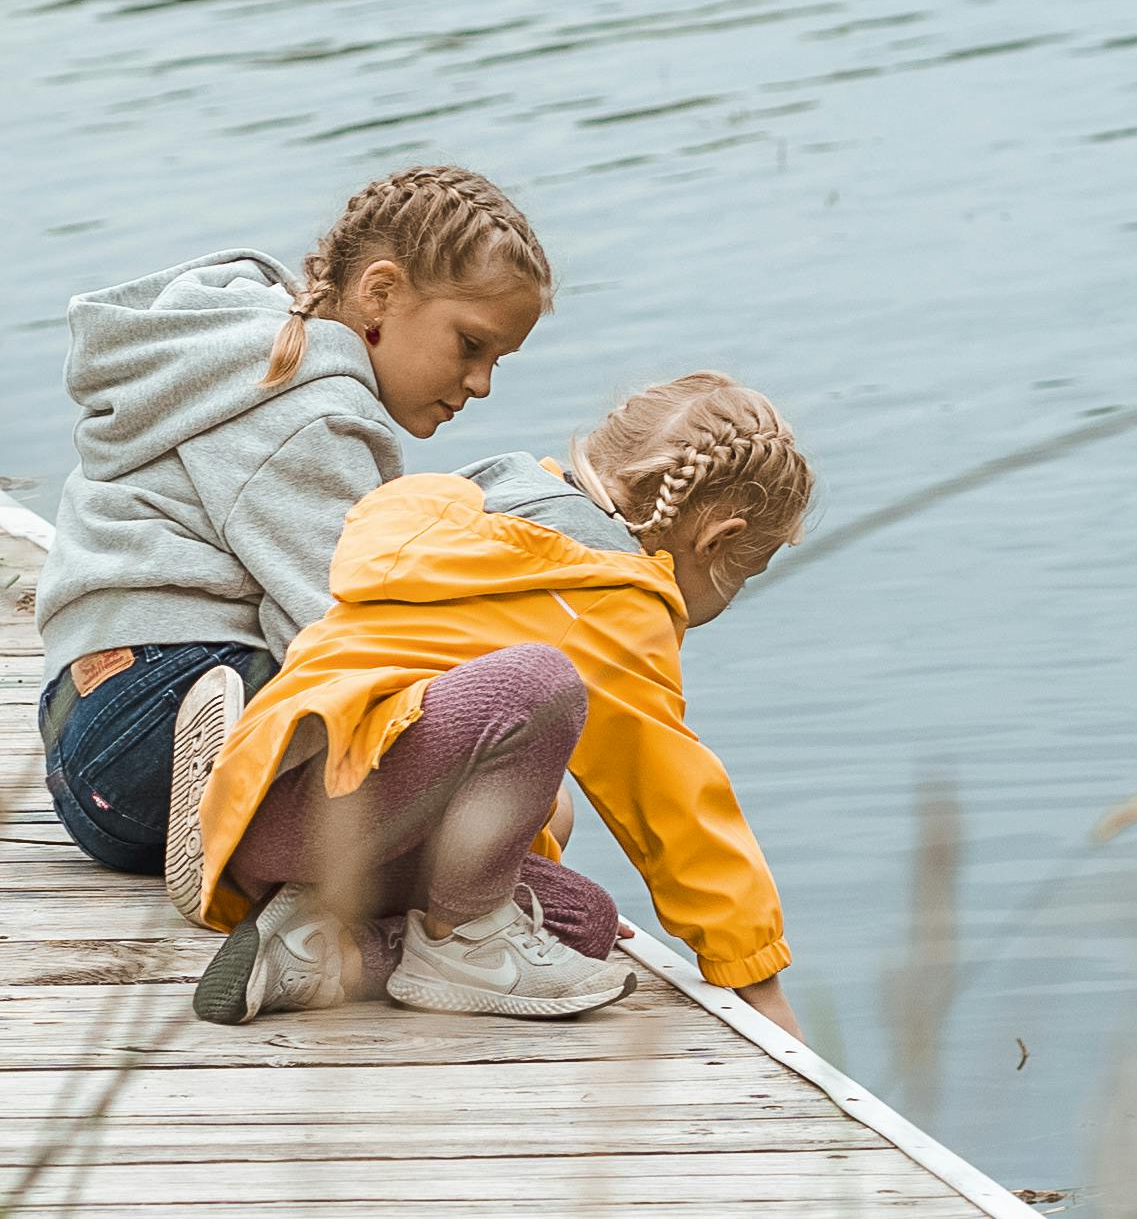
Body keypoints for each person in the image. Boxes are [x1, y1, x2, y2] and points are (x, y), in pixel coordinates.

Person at [180, 373, 811, 1034]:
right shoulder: (610, 595)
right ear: (715, 540)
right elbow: (673, 800)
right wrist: (754, 973)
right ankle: (463, 942)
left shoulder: (486, 510)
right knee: (535, 687)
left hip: (273, 805)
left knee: (584, 921)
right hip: (329, 823)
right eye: (747, 572)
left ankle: (320, 949)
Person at [29, 166, 553, 892]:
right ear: (381, 292)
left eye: (497, 360)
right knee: (470, 709)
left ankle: (301, 858)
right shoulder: (312, 414)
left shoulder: (235, 352)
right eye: (470, 344)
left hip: (86, 718)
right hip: (163, 715)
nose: (482, 382)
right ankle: (246, 825)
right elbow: (345, 627)